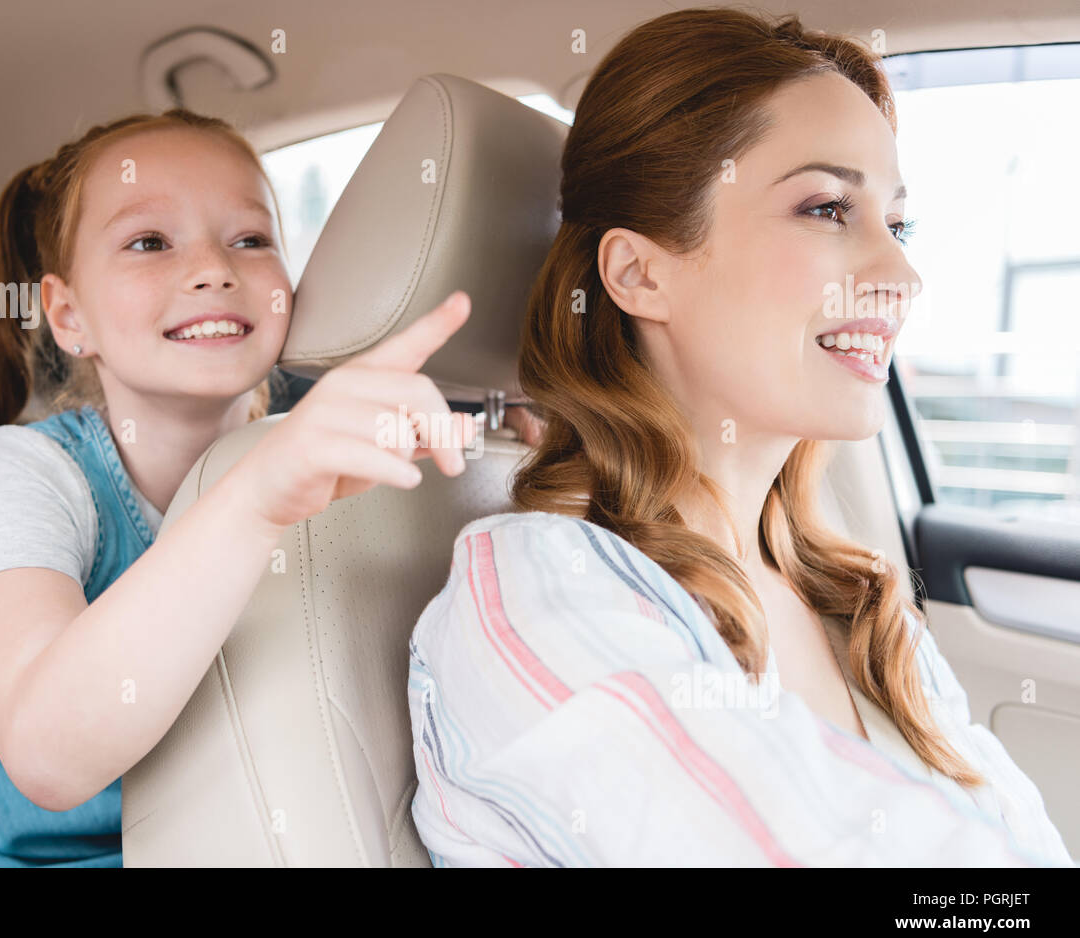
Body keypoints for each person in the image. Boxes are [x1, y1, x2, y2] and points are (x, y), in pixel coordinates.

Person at [407, 8, 1074, 867]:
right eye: (830, 207)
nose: (902, 273)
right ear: (640, 273)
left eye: (897, 224)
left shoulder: (859, 610)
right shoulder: (534, 593)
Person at [0, 108, 477, 866]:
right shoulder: (26, 473)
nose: (213, 267)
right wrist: (257, 496)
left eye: (251, 239)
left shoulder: (322, 455)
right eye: (149, 243)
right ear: (70, 316)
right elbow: (48, 754)